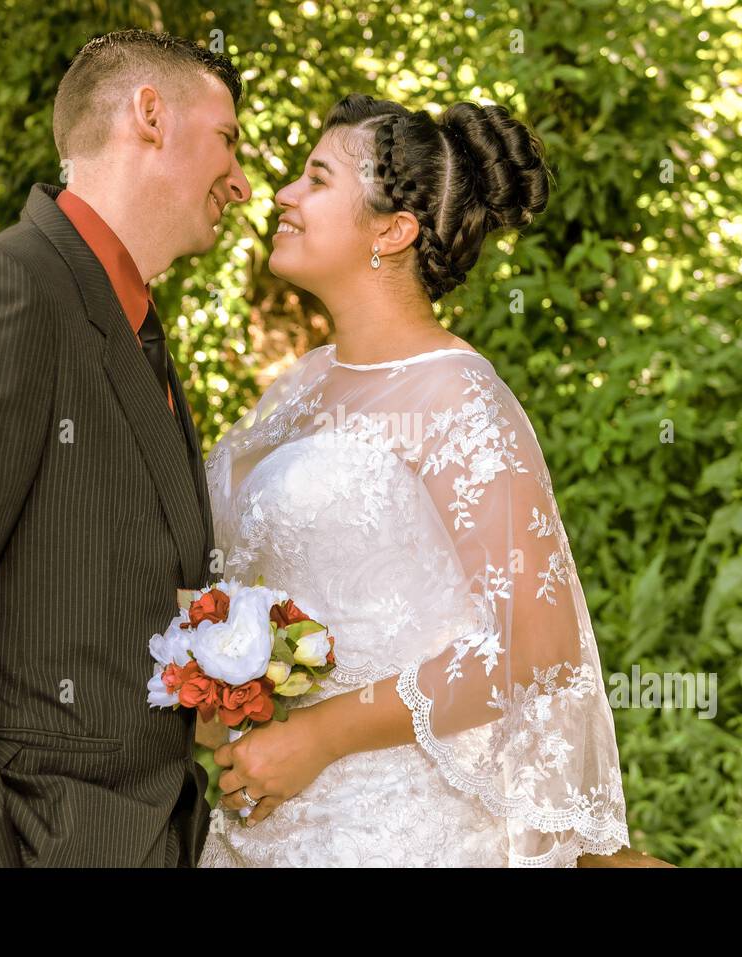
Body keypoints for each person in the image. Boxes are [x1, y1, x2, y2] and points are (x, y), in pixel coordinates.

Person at [0, 29, 250, 867]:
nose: (242, 183)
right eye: (229, 140)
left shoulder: (132, 325)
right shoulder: (3, 294)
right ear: (149, 115)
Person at [200, 93, 630, 866]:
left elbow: (535, 646)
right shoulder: (299, 385)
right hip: (260, 815)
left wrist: (322, 734)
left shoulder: (457, 397)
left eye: (316, 179)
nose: (283, 195)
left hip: (396, 829)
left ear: (393, 230)